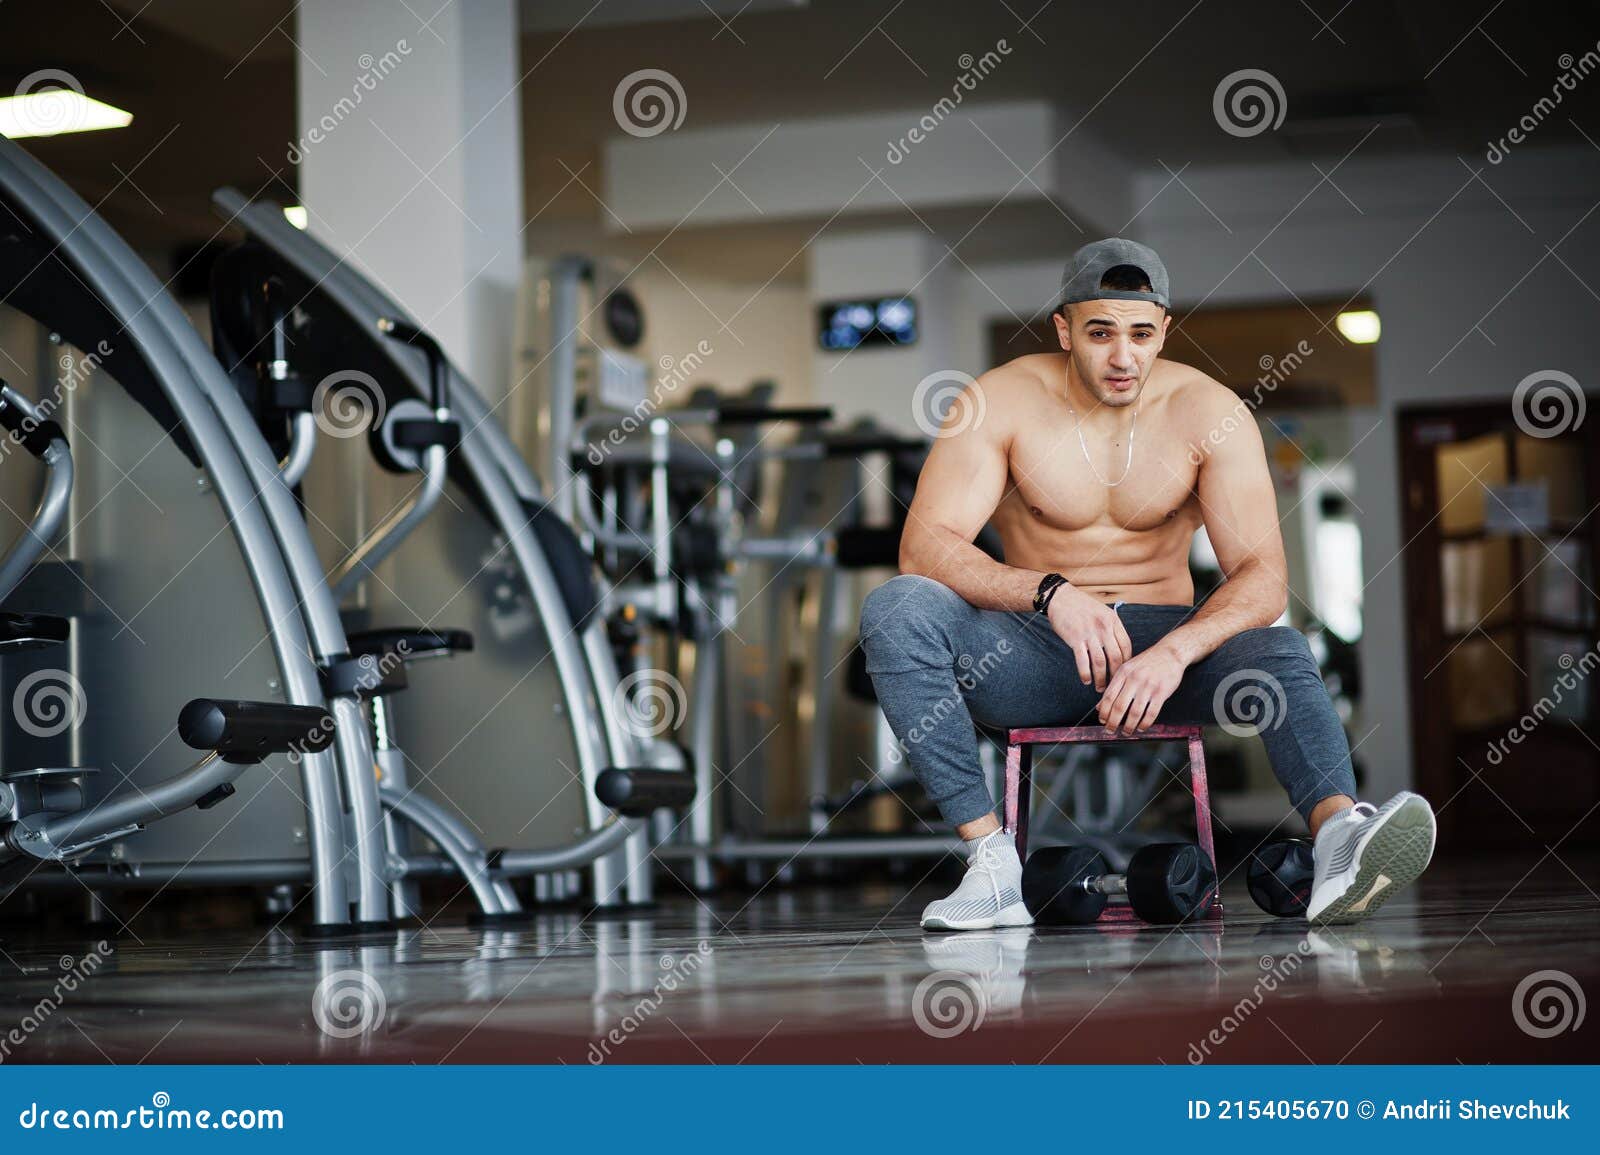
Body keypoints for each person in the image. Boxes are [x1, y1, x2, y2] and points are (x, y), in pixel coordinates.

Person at [859, 238, 1435, 931]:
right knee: (897, 606)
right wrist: (1051, 593)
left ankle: (1340, 839)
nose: (1122, 356)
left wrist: (1175, 650)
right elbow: (923, 546)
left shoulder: (1209, 412)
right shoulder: (1001, 401)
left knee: (1277, 649)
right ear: (1065, 329)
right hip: (1031, 654)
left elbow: (1264, 577)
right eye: (1100, 333)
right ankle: (990, 863)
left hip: (1162, 655)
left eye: (1139, 333)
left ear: (1164, 328)